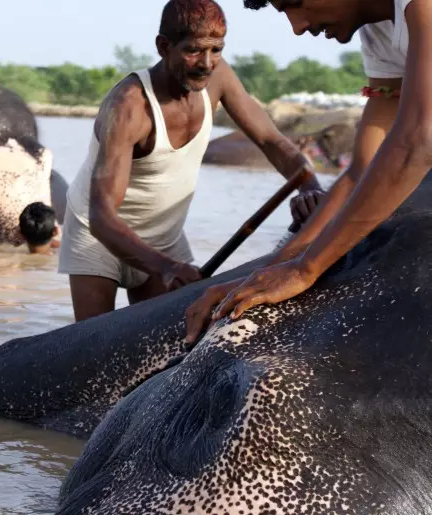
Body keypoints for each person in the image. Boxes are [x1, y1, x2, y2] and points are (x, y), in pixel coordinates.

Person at [57, 0, 324, 322]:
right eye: (194, 51)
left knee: (168, 339)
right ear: (163, 46)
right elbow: (101, 217)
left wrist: (311, 190)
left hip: (164, 235)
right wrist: (167, 267)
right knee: (91, 346)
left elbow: (271, 140)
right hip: (98, 236)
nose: (206, 63)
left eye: (217, 50)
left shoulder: (220, 77)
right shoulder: (129, 105)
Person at [183, 0, 432, 344]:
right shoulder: (379, 33)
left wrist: (306, 269)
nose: (297, 26)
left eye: (295, 4)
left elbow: (417, 141)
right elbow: (363, 170)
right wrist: (278, 265)